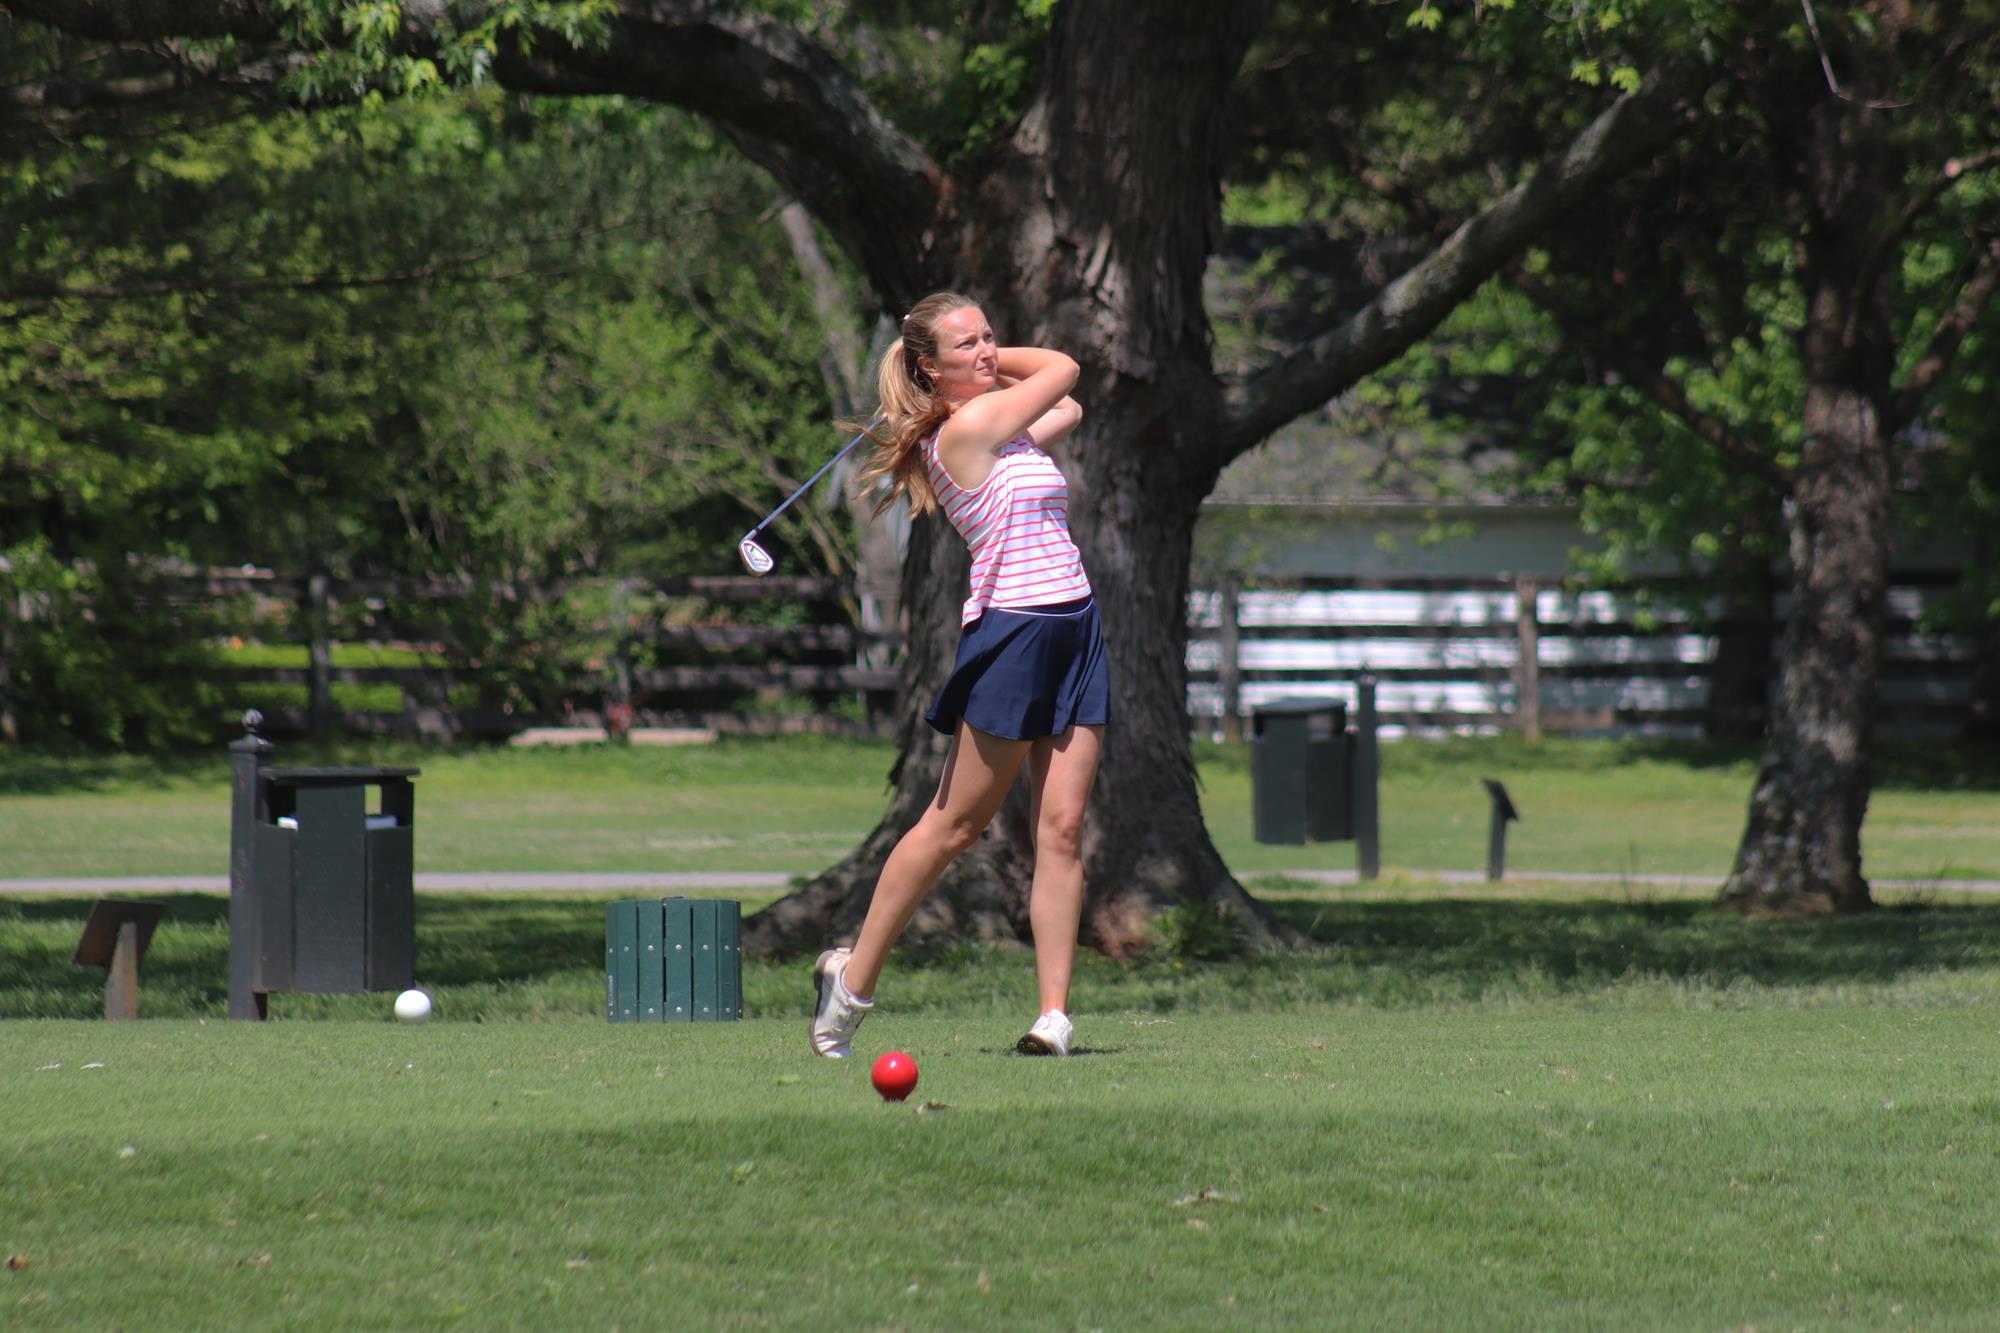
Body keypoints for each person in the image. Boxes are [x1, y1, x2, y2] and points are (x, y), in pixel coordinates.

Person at [810, 291, 1108, 1060]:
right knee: (955, 825)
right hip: (1013, 635)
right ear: (929, 368)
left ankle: (1053, 1015)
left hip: (1074, 626)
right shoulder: (968, 430)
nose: (986, 350)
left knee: (1064, 829)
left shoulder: (999, 428)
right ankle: (852, 982)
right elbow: (1065, 368)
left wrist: (970, 363)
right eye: (967, 344)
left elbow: (1066, 409)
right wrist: (986, 369)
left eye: (990, 336)